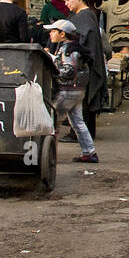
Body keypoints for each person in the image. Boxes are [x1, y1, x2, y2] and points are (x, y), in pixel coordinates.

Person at [45, 19, 98, 164]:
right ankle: (89, 152)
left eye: (53, 31)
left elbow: (68, 71)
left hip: (67, 91)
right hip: (77, 90)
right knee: (77, 122)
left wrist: (53, 70)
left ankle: (49, 156)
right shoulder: (72, 48)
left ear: (63, 34)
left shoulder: (68, 50)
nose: (51, 34)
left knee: (51, 122)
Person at [62, 0, 108, 138]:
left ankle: (79, 134)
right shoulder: (84, 15)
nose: (66, 3)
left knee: (82, 100)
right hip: (85, 64)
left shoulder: (85, 16)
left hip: (85, 64)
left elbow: (82, 39)